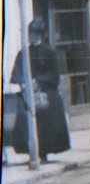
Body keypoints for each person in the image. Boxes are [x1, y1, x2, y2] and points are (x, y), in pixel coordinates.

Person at [10, 20, 71, 162]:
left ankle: (44, 153)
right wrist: (23, 81)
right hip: (27, 94)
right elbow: (16, 72)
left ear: (40, 35)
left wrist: (37, 81)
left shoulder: (49, 52)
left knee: (45, 124)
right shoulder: (23, 53)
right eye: (30, 33)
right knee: (26, 124)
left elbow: (54, 74)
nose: (31, 36)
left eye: (34, 33)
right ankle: (31, 152)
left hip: (46, 93)